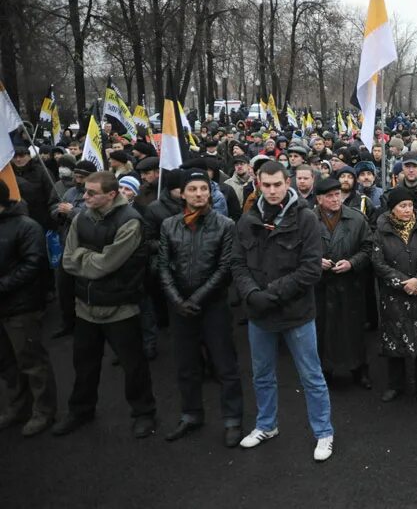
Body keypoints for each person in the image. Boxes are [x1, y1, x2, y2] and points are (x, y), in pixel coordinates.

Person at [231, 161, 333, 460]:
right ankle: (266, 424)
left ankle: (324, 432)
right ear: (258, 184)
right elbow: (237, 263)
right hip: (259, 314)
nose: (273, 190)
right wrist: (251, 293)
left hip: (297, 313)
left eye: (278, 184)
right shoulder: (248, 219)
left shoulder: (305, 219)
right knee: (262, 374)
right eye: (267, 185)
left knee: (311, 376)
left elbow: (311, 270)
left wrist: (270, 294)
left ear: (287, 182)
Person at [54, 171, 156, 438]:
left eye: (91, 193)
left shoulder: (130, 221)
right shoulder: (81, 218)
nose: (84, 196)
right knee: (84, 364)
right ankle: (81, 411)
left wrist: (83, 259)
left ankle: (144, 412)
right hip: (85, 306)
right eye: (85, 191)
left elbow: (106, 265)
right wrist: (89, 259)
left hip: (120, 306)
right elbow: (67, 260)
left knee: (133, 365)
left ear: (111, 195)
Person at [158, 170, 244, 447]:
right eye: (193, 189)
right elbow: (163, 266)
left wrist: (197, 298)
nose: (199, 194)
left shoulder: (225, 224)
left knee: (225, 366)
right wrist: (176, 299)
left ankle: (232, 420)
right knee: (186, 366)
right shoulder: (169, 225)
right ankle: (191, 414)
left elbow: (225, 267)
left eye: (204, 189)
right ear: (182, 194)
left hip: (213, 306)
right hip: (180, 308)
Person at [371, 188, 417, 406]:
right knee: (395, 341)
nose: (407, 210)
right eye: (402, 206)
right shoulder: (381, 231)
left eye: (410, 205)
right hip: (394, 296)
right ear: (392, 209)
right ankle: (395, 385)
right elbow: (378, 263)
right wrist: (405, 284)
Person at [0, 180, 57, 437]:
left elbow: (33, 264)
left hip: (21, 307)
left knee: (31, 361)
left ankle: (43, 411)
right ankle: (16, 407)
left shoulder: (26, 226)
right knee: (7, 362)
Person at [313, 178, 373, 389]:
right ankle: (325, 370)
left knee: (353, 330)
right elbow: (298, 249)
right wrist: (315, 261)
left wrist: (352, 263)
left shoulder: (357, 219)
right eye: (329, 196)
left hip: (350, 285)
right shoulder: (308, 220)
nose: (335, 199)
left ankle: (358, 369)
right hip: (320, 286)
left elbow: (368, 248)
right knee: (323, 331)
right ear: (319, 199)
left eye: (337, 194)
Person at [49, 160, 97, 339]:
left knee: (86, 290)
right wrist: (59, 212)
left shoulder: (96, 195)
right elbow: (54, 211)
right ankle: (68, 322)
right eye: (76, 176)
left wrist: (71, 211)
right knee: (64, 288)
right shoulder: (69, 192)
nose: (78, 180)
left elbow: (93, 217)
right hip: (67, 247)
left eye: (82, 177)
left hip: (87, 249)